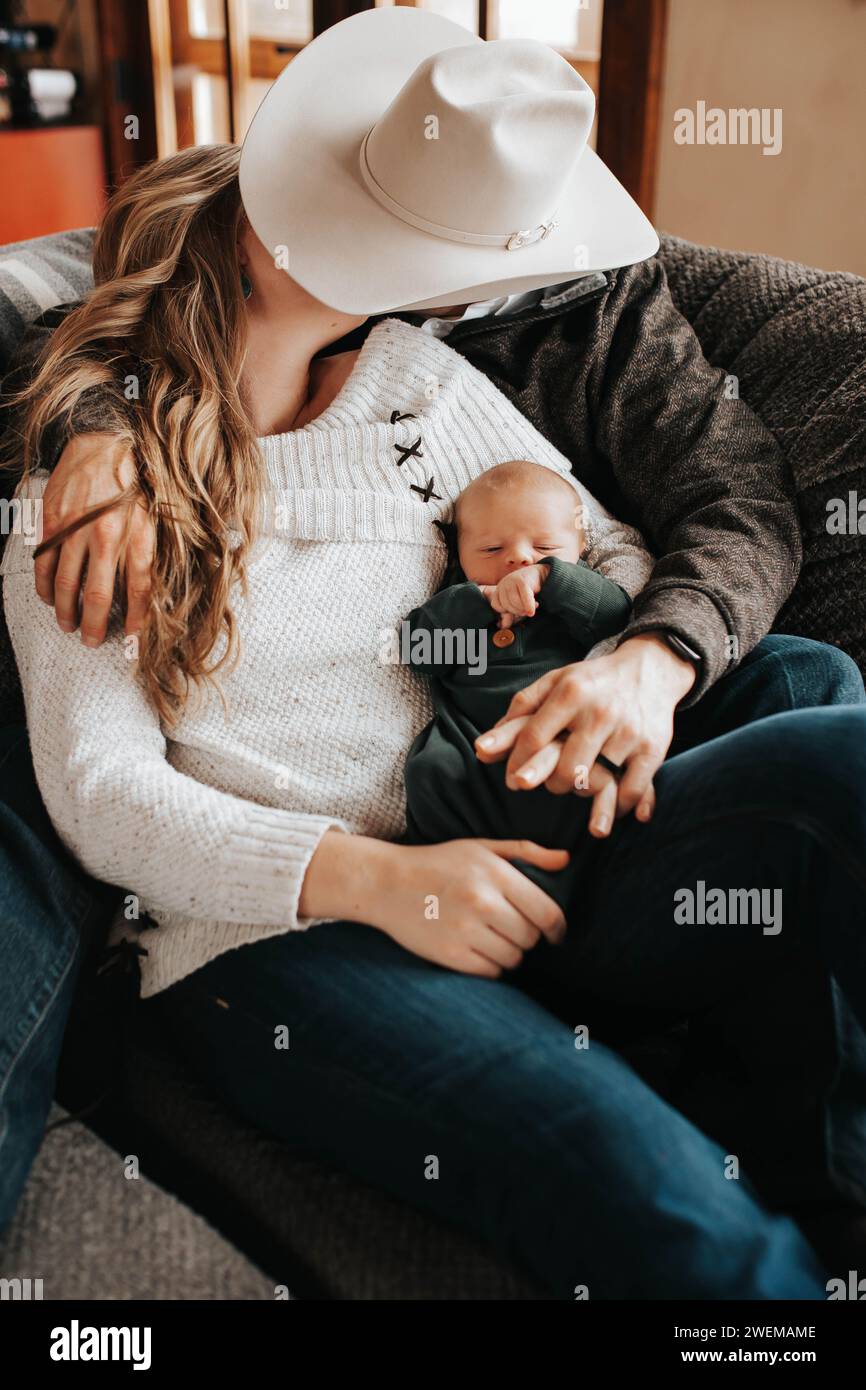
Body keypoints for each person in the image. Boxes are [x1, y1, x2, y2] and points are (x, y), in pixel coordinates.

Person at [1, 10, 865, 1295]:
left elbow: (632, 550)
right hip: (285, 941)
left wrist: (551, 608)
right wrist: (376, 881)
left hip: (526, 832)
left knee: (832, 741)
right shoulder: (88, 496)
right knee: (684, 1220)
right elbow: (104, 797)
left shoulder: (416, 382)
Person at [402, 459, 645, 911]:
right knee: (429, 771)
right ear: (459, 555)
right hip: (474, 742)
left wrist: (553, 579)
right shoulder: (460, 608)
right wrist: (478, 601)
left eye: (545, 546)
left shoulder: (572, 604)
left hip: (561, 732)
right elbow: (421, 653)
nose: (518, 557)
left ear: (580, 546)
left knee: (592, 777)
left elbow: (617, 614)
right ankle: (459, 867)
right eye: (491, 549)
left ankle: (578, 874)